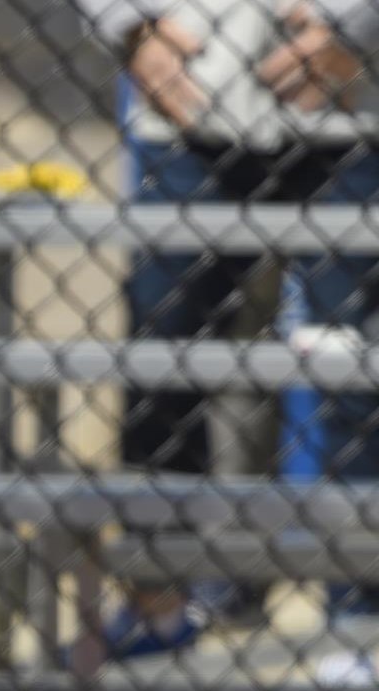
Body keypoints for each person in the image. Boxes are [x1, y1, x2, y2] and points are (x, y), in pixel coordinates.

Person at [77, 0, 379, 656]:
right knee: (161, 363)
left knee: (358, 373)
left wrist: (357, 26)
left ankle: (360, 625)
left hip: (354, 97)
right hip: (192, 96)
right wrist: (129, 28)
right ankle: (160, 608)